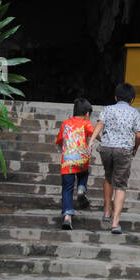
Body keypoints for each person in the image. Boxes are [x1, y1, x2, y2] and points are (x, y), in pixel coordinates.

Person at [88, 82, 140, 235]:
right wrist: (135, 148)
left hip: (106, 149)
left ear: (115, 97)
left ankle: (107, 211)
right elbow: (139, 134)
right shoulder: (134, 113)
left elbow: (100, 124)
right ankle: (115, 222)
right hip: (123, 151)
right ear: (132, 99)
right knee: (120, 185)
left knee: (108, 177)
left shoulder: (108, 109)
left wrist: (92, 140)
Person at [55, 97, 95, 231]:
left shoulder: (65, 123)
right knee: (84, 173)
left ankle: (67, 217)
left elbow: (60, 140)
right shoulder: (85, 123)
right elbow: (95, 133)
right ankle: (81, 188)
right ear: (87, 114)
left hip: (67, 162)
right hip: (81, 161)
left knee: (66, 189)